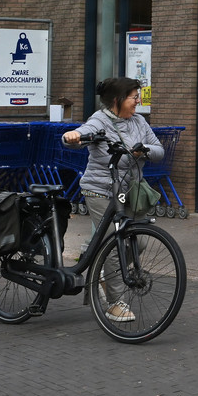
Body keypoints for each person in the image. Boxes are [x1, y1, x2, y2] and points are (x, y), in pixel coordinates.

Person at [61, 77, 164, 321]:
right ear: (118, 100)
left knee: (138, 243)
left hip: (128, 192)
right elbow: (80, 135)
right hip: (100, 190)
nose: (137, 101)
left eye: (138, 97)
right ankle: (115, 303)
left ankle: (99, 267)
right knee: (114, 246)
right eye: (134, 97)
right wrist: (72, 135)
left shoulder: (139, 121)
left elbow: (159, 150)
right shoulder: (99, 120)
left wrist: (144, 149)